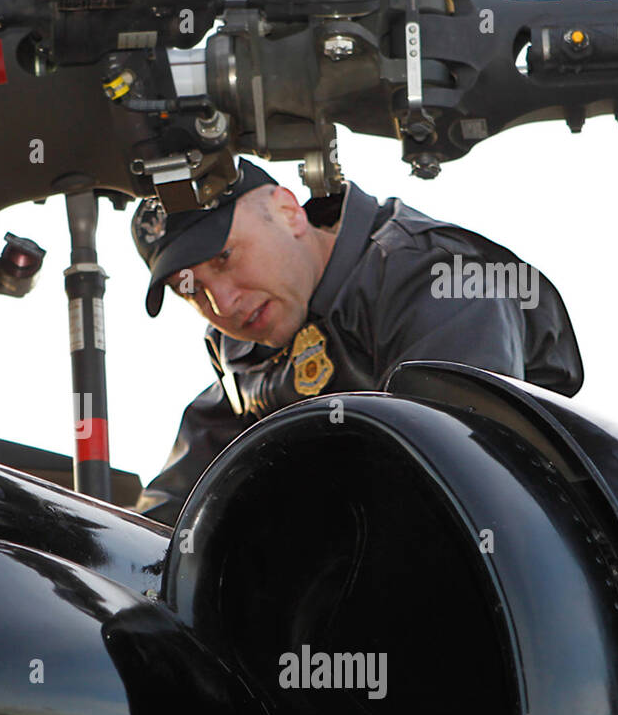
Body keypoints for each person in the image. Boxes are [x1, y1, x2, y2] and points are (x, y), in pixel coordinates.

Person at [131, 158, 584, 525]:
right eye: (189, 288)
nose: (222, 304)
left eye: (224, 258)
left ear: (288, 212)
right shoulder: (242, 348)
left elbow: (451, 480)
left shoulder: (439, 280)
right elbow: (174, 506)